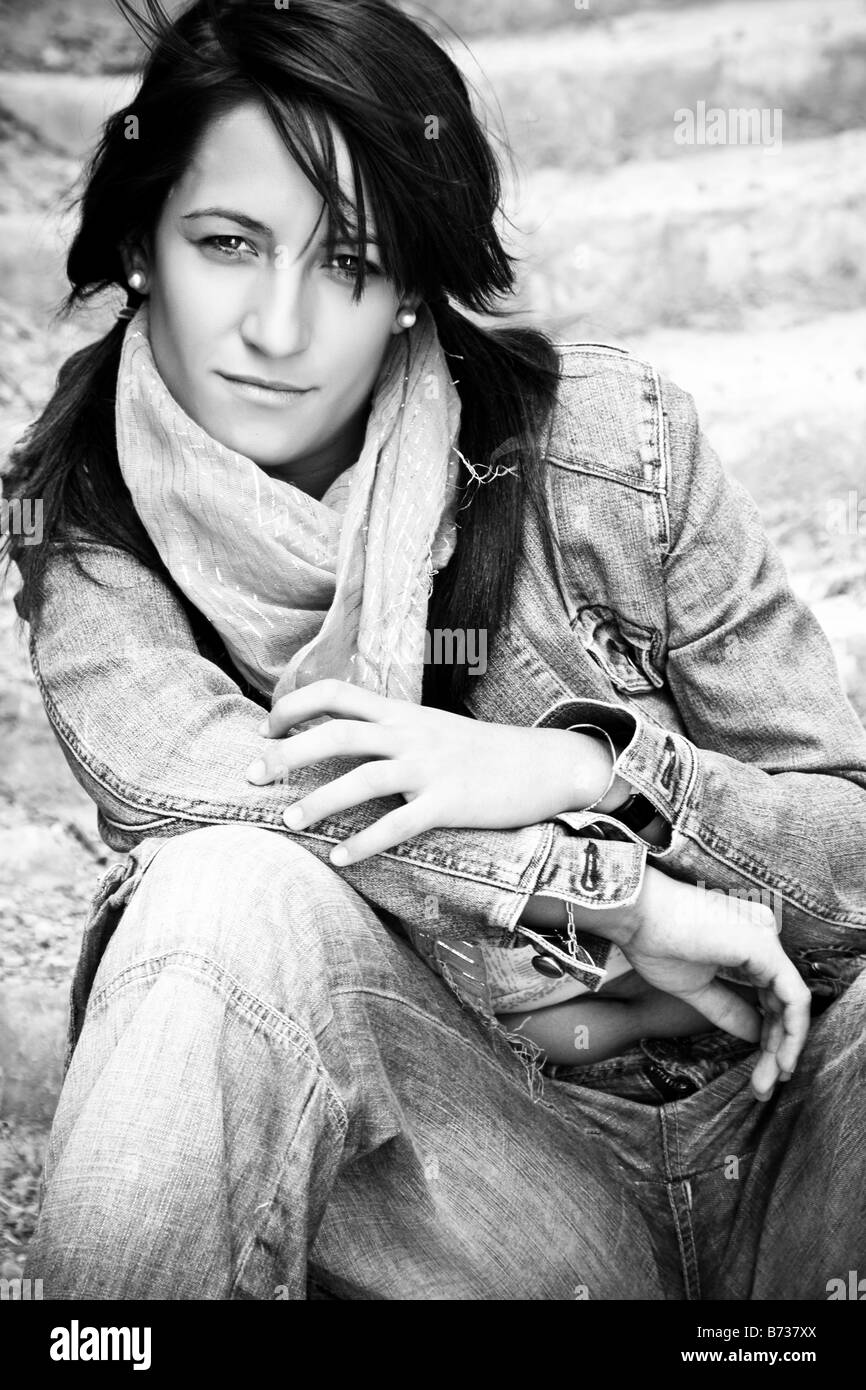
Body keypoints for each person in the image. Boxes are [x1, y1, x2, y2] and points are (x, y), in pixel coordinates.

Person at [2, 0, 865, 1301]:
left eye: (346, 260)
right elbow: (216, 781)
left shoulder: (609, 449)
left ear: (410, 285)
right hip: (482, 1183)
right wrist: (604, 891)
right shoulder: (87, 525)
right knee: (214, 891)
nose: (277, 327)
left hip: (796, 1119)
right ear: (139, 245)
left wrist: (589, 772)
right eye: (229, 244)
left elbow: (848, 852)